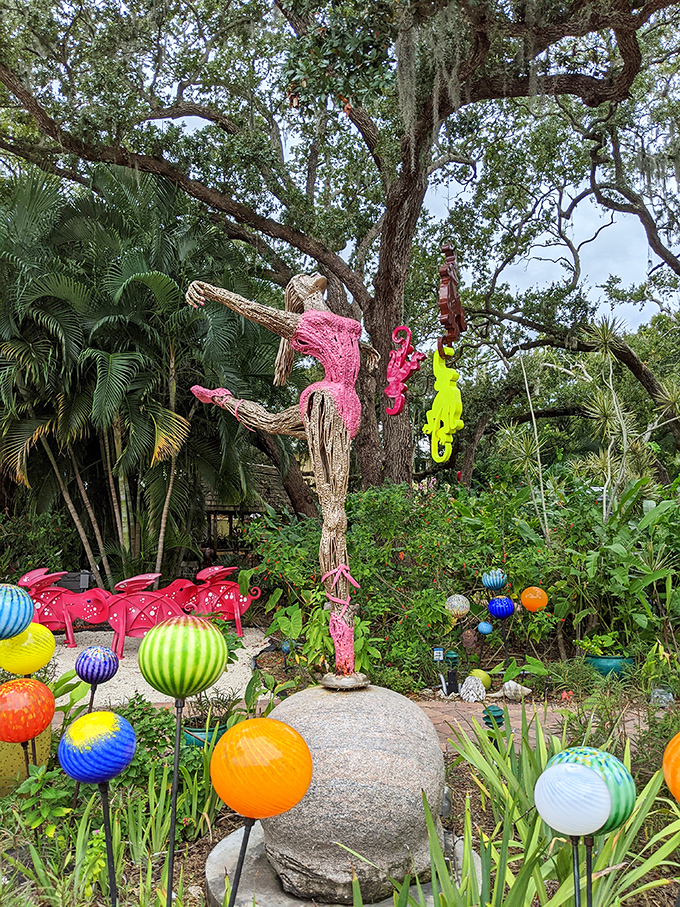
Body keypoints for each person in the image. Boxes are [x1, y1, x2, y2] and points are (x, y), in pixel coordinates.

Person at [187, 273, 378, 677]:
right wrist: (210, 289)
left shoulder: (326, 324)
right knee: (331, 511)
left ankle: (223, 399)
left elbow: (253, 310)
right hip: (334, 402)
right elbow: (254, 311)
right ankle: (340, 620)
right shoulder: (337, 325)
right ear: (309, 292)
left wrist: (212, 289)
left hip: (334, 403)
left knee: (278, 432)